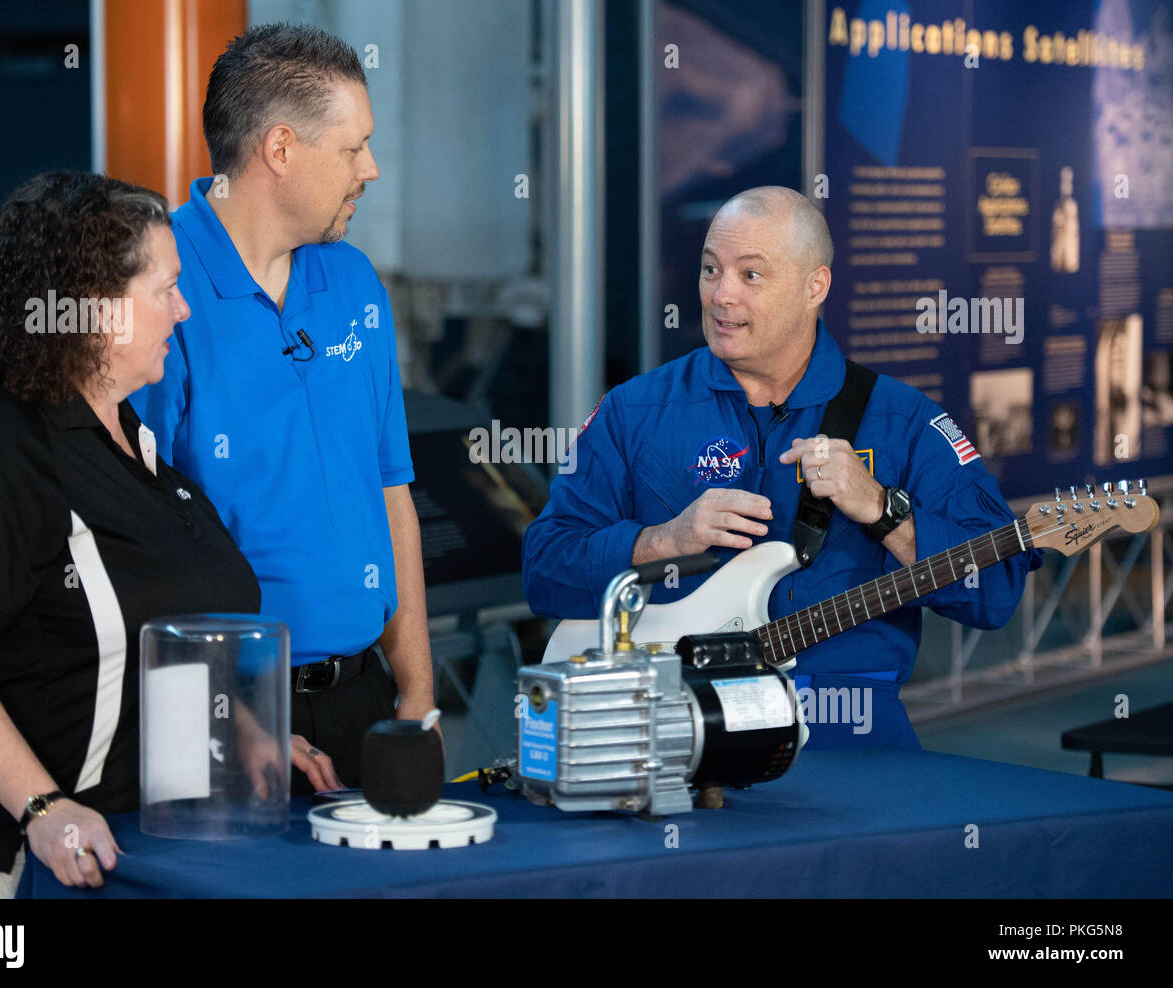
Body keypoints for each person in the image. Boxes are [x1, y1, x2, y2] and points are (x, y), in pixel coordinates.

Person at [522, 186, 1040, 747]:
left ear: (814, 286)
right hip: (677, 732)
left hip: (850, 735)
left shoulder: (904, 420)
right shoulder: (635, 410)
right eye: (710, 269)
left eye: (751, 275)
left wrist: (883, 511)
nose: (721, 296)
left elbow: (995, 592)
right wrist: (662, 541)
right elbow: (545, 572)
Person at [0, 171, 265, 895]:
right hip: (3, 866)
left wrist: (246, 730)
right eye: (164, 290)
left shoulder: (134, 440)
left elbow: (161, 632)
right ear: (94, 309)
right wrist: (43, 807)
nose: (183, 310)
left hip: (134, 855)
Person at [131, 24, 436, 793]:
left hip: (367, 701)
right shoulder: (160, 285)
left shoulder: (354, 281)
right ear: (279, 150)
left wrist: (420, 694)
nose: (370, 169)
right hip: (222, 709)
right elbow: (132, 541)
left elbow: (390, 489)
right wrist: (235, 714)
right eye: (352, 148)